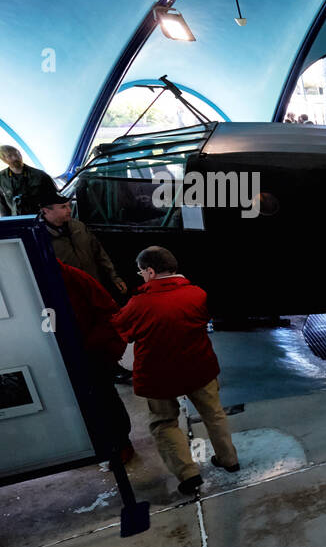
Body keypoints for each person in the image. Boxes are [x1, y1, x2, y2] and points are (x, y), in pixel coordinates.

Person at [113, 246, 239, 496]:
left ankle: (188, 474)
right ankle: (229, 460)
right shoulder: (197, 294)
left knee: (164, 423)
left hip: (159, 376)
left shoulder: (139, 303)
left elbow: (120, 328)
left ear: (150, 271)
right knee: (214, 413)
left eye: (141, 273)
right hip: (199, 368)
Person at [58, 261, 133, 463]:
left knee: (103, 397)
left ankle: (120, 444)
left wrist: (90, 344)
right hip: (58, 355)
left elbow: (109, 313)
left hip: (89, 352)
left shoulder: (73, 277)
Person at [37, 188, 127, 298]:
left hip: (93, 287)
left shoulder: (78, 227)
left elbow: (100, 253)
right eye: (63, 207)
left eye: (69, 205)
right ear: (46, 210)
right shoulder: (39, 237)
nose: (69, 210)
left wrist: (114, 278)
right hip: (70, 295)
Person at [0, 145, 55, 217]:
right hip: (16, 220)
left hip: (40, 218)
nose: (16, 158)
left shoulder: (40, 175)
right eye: (10, 156)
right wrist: (7, 224)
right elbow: (2, 205)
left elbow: (55, 199)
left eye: (17, 154)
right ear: (4, 159)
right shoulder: (2, 178)